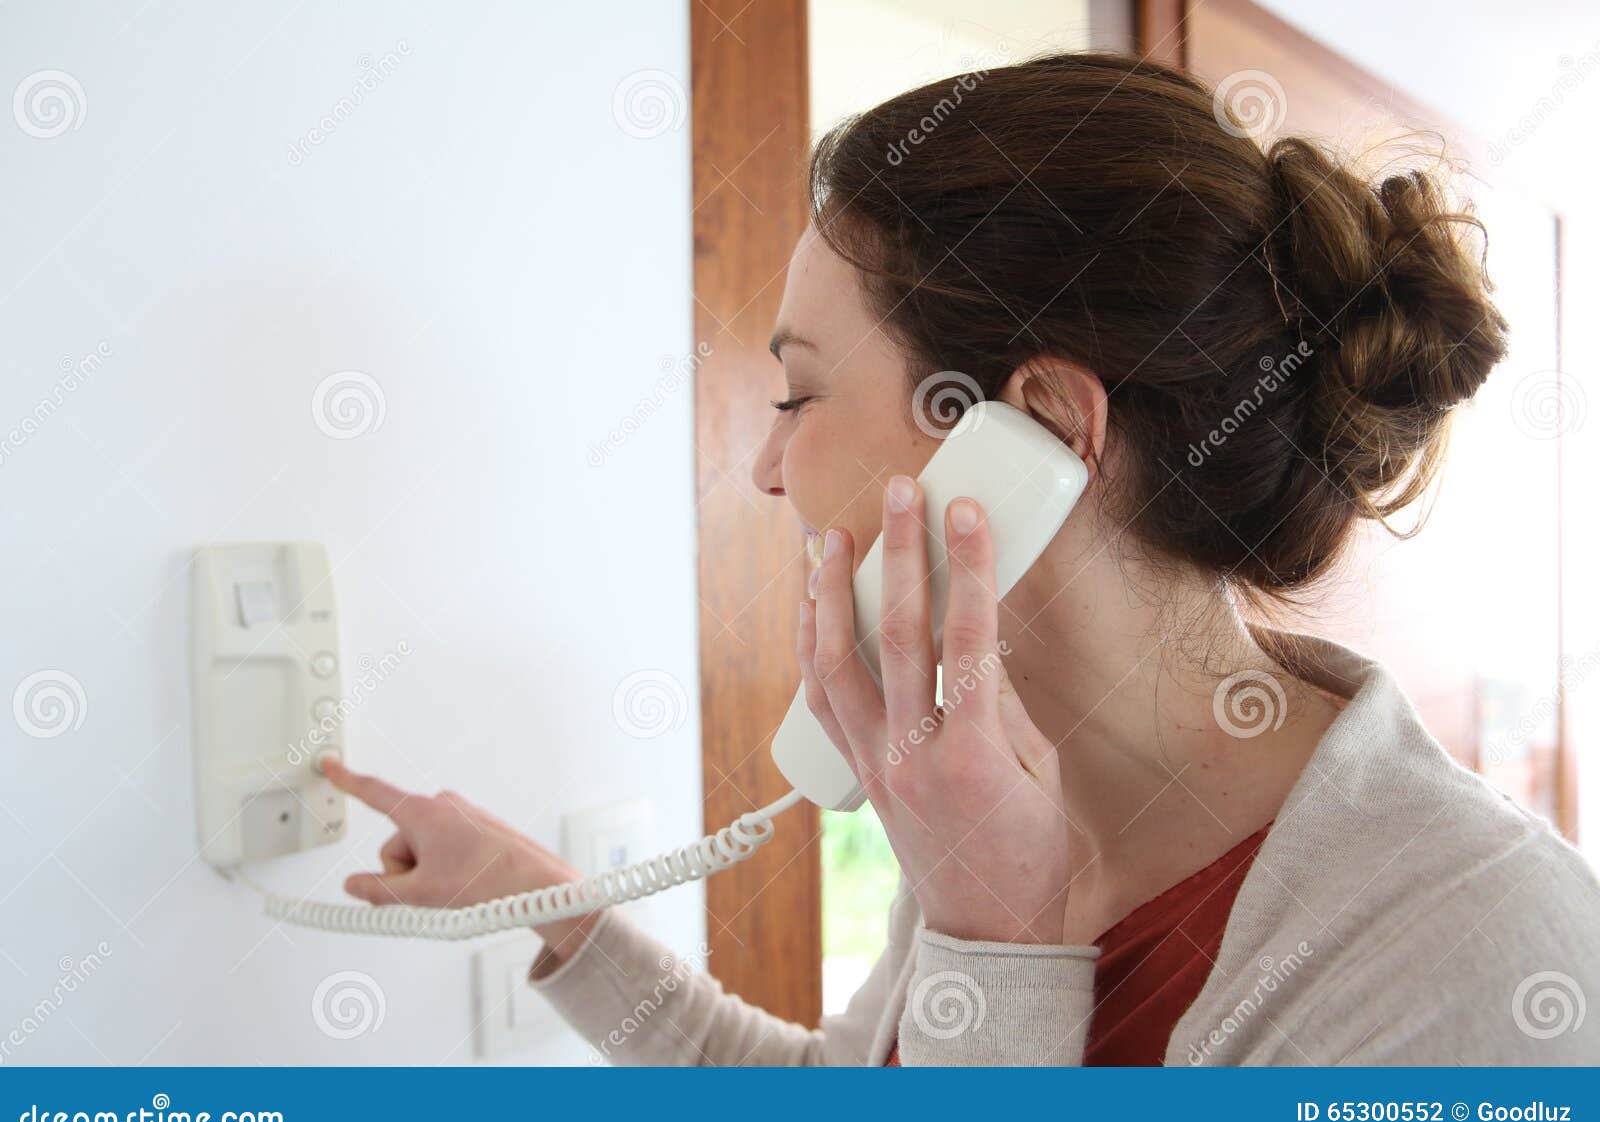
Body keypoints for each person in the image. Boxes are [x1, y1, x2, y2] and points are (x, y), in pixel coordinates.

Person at [321, 51, 1600, 1065]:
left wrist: (996, 946)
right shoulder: (995, 795)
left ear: (1035, 428)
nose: (766, 470)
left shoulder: (1474, 950)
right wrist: (556, 904)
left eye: (800, 396)